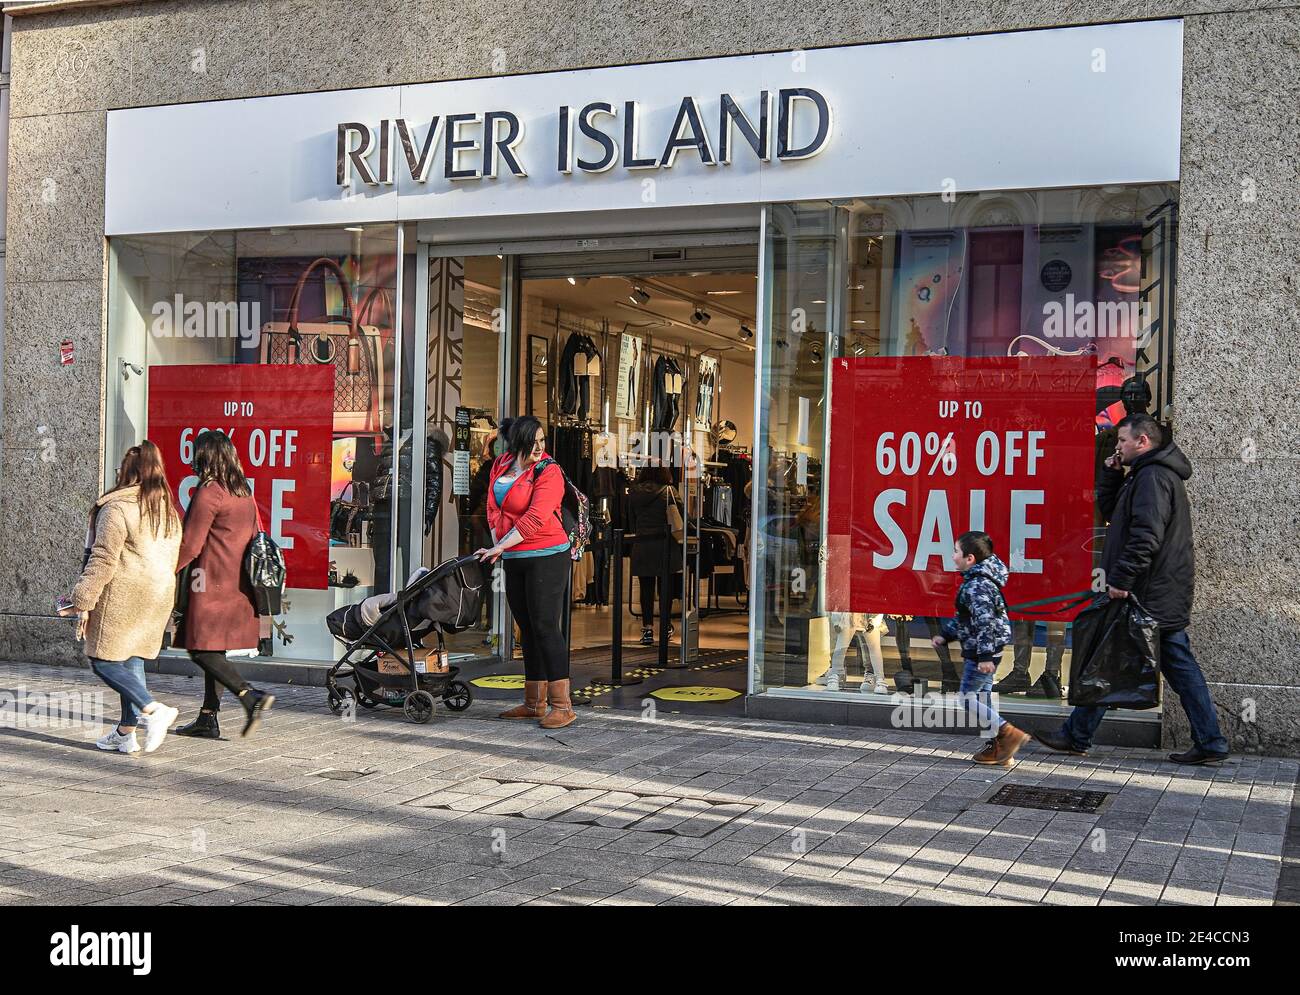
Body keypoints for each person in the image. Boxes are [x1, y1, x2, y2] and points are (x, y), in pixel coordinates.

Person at [1034, 414, 1229, 764]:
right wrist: (1111, 474)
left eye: (1122, 441)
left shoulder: (1153, 478)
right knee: (1133, 663)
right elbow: (1113, 513)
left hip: (1149, 594)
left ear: (1142, 441)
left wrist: (1122, 580)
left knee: (1137, 663)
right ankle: (1209, 741)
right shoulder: (1143, 475)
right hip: (1155, 592)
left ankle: (1077, 735)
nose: (1118, 446)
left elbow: (1145, 537)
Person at [58, 442, 183, 755]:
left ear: (127, 473)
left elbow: (102, 559)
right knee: (131, 658)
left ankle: (152, 710)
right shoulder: (166, 511)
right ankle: (126, 732)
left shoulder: (117, 507)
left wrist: (82, 599)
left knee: (102, 660)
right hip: (157, 595)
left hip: (123, 595)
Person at [172, 431, 275, 739]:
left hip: (210, 584)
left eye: (196, 453)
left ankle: (249, 696)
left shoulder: (210, 491)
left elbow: (191, 544)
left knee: (200, 649)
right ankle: (207, 717)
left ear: (206, 455)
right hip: (237, 585)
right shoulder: (242, 490)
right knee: (214, 648)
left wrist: (166, 570)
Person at [477, 416, 575, 729]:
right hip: (514, 555)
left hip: (547, 555)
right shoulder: (501, 464)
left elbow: (536, 517)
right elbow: (493, 508)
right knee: (527, 628)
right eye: (532, 441)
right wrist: (498, 545)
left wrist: (500, 547)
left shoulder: (549, 471)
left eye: (542, 441)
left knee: (546, 625)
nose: (539, 447)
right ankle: (534, 703)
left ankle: (562, 706)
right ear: (516, 441)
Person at [933, 531, 1030, 766]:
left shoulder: (977, 586)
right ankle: (1000, 749)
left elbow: (984, 623)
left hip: (981, 652)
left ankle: (1008, 733)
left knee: (967, 698)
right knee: (984, 697)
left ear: (970, 559)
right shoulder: (978, 580)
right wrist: (946, 635)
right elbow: (967, 618)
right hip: (986, 650)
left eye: (956, 551)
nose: (953, 555)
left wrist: (984, 656)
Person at [626, 465, 683, 645]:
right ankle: (665, 626)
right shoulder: (669, 491)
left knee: (646, 588)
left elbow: (629, 518)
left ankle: (648, 629)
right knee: (665, 588)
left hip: (642, 543)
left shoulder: (634, 492)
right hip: (665, 545)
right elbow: (681, 515)